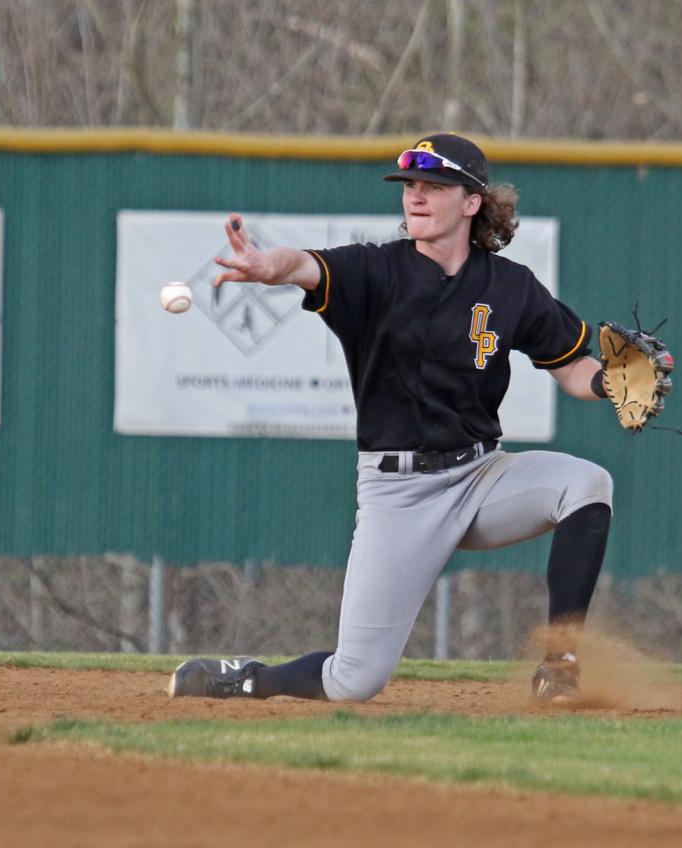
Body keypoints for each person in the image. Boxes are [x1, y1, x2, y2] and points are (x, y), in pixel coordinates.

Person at [168, 133, 613, 705]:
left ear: (472, 202)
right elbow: (304, 265)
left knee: (587, 484)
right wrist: (266, 266)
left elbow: (572, 366)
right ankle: (249, 676)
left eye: (434, 186)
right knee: (355, 679)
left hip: (481, 478)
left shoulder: (510, 286)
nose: (416, 197)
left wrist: (610, 382)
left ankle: (562, 664)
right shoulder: (374, 271)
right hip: (400, 493)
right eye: (411, 187)